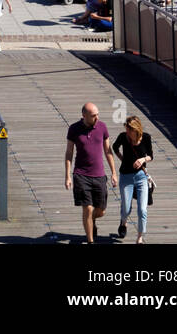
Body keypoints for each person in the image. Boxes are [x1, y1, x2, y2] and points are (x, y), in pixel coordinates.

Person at [65, 101, 118, 245]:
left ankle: (91, 220)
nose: (97, 118)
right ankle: (90, 241)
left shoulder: (102, 127)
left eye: (98, 114)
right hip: (81, 174)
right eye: (93, 115)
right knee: (87, 208)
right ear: (84, 115)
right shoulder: (74, 129)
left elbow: (108, 151)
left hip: (99, 175)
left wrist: (114, 172)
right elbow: (69, 153)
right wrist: (68, 175)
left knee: (101, 210)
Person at [112, 116, 153, 244]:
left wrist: (142, 159)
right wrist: (122, 159)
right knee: (126, 208)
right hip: (126, 176)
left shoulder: (146, 138)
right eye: (127, 129)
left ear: (136, 129)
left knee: (142, 210)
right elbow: (114, 147)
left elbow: (151, 156)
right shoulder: (123, 137)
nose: (127, 132)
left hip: (141, 176)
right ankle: (123, 223)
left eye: (129, 129)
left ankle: (140, 237)